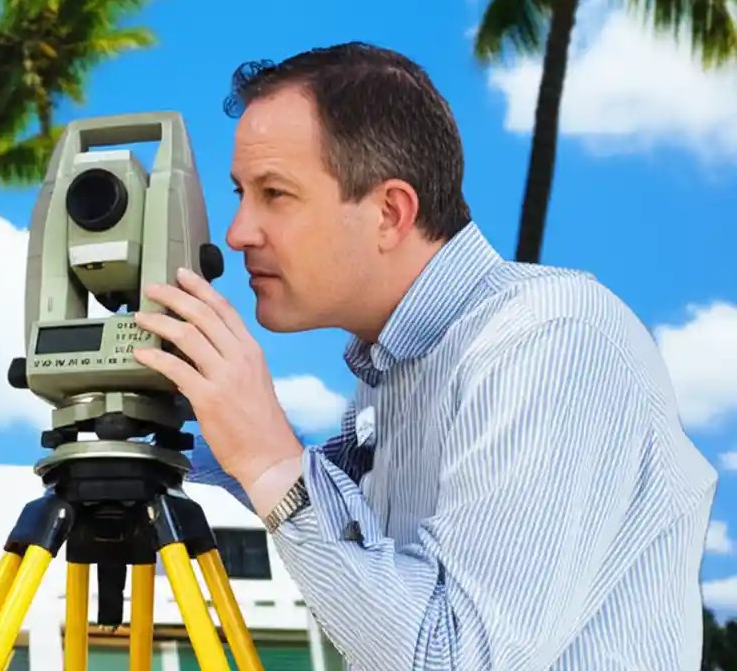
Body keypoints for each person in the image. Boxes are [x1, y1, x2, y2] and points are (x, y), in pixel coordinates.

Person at [131, 42, 717, 670]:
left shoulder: (548, 339)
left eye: (275, 194)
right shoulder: (402, 374)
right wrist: (195, 433)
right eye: (241, 192)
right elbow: (359, 550)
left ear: (390, 213)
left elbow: (454, 657)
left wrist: (272, 461)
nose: (238, 231)